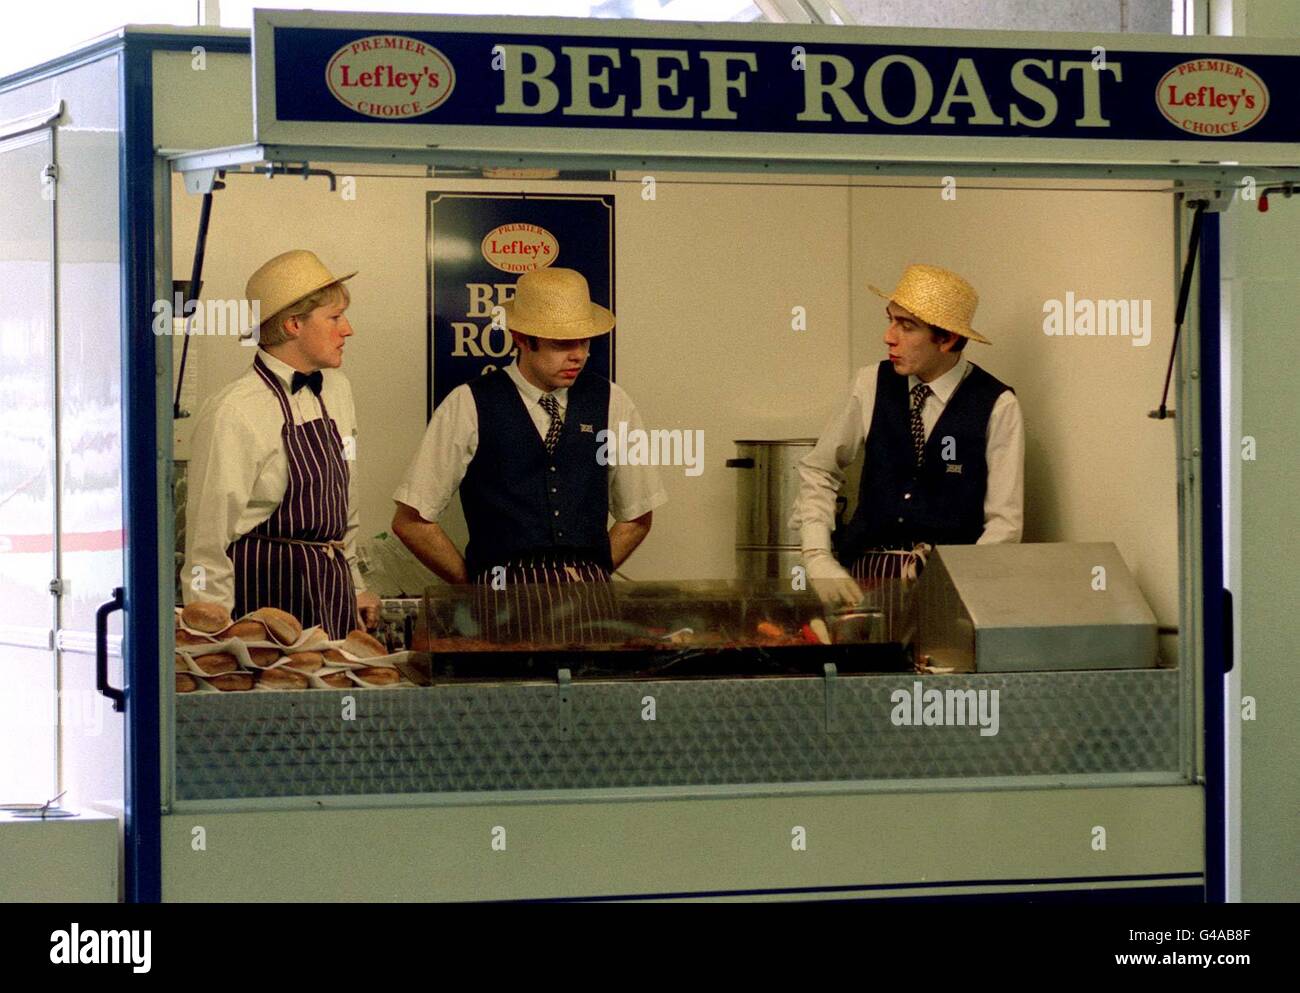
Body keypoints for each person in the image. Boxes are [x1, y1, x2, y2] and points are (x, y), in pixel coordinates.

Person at [392, 266, 666, 584]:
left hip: (589, 603)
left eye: (585, 342)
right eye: (561, 344)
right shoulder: (467, 404)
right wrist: (472, 586)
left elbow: (638, 514)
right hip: (500, 598)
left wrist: (592, 574)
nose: (578, 355)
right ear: (521, 338)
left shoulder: (612, 402)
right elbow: (410, 521)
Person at [790, 263, 1024, 607]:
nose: (889, 336)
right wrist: (817, 556)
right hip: (862, 583)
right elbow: (820, 469)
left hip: (948, 592)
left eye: (907, 326)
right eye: (891, 319)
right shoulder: (871, 383)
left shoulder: (997, 405)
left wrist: (961, 594)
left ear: (947, 338)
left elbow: (1004, 527)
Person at [183, 249, 381, 636]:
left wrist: (355, 585)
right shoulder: (234, 411)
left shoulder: (339, 391)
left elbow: (345, 502)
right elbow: (207, 544)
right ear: (293, 325)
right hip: (263, 603)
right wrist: (213, 641)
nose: (348, 330)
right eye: (335, 318)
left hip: (332, 593)